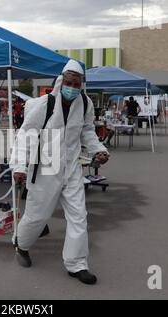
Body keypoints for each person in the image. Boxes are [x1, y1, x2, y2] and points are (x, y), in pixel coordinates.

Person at [10, 60, 110, 285]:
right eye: (69, 82)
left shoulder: (85, 103)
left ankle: (77, 265)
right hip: (45, 169)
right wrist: (19, 166)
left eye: (77, 84)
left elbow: (87, 131)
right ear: (61, 81)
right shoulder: (44, 104)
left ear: (81, 84)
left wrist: (99, 149)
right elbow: (25, 134)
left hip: (72, 168)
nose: (72, 87)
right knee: (37, 216)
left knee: (78, 216)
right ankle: (22, 244)